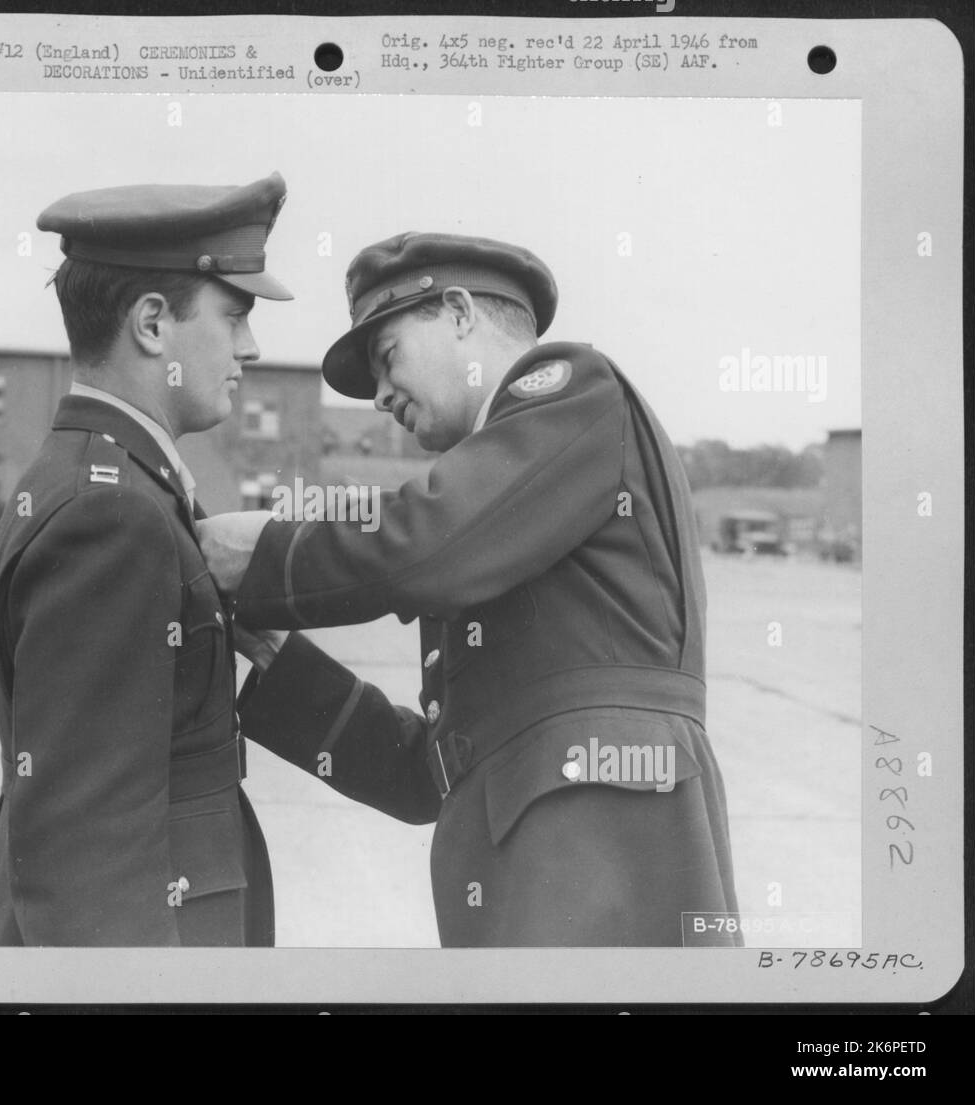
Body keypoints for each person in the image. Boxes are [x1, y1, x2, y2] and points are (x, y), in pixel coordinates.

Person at [201, 231, 742, 947]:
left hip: (603, 857)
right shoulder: (499, 510)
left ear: (459, 313)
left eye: (387, 357)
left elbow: (425, 543)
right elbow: (430, 773)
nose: (383, 396)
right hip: (549, 870)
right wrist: (279, 660)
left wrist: (265, 550)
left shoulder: (575, 389)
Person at [0, 172, 293, 946]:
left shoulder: (111, 481)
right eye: (236, 314)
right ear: (152, 324)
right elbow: (88, 858)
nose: (250, 345)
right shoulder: (113, 515)